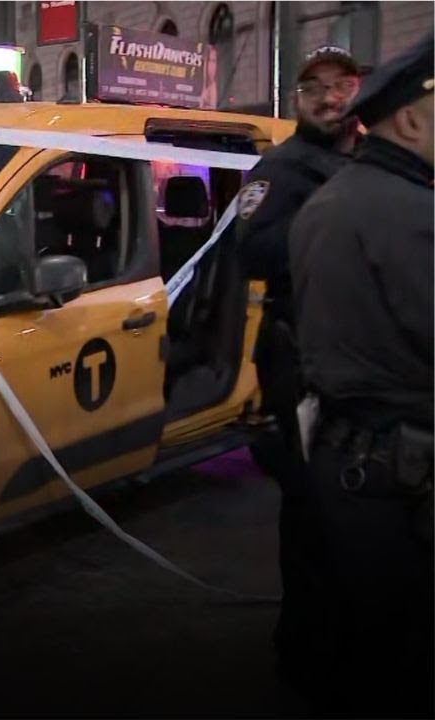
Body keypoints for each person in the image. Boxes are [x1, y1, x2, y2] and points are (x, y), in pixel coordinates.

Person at [288, 32, 434, 717]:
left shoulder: (335, 198)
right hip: (402, 475)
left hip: (347, 463)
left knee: (362, 642)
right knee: (403, 657)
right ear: (411, 117)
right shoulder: (413, 216)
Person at [231, 44, 361, 689]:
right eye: (317, 88)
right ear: (297, 99)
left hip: (360, 352)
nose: (330, 98)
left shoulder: (372, 158)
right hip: (300, 353)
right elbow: (248, 248)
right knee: (311, 508)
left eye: (342, 85)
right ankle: (305, 651)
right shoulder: (279, 168)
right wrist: (335, 225)